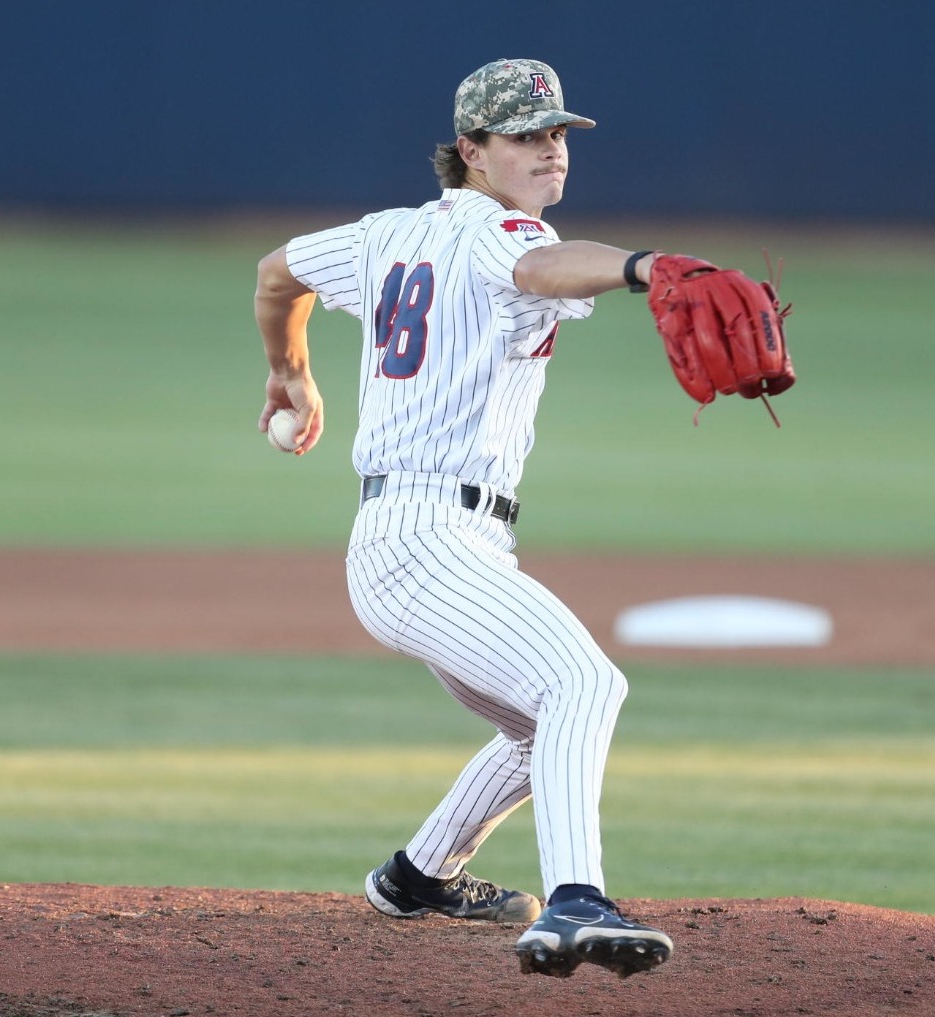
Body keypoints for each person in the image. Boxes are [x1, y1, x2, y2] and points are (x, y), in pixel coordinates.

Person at [252, 58, 678, 979]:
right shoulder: (501, 232)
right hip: (426, 539)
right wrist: (644, 268)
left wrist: (289, 370)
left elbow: (277, 271)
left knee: (538, 726)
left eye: (558, 133)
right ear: (471, 152)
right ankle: (575, 902)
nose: (550, 150)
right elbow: (535, 262)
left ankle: (417, 875)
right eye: (526, 135)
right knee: (586, 686)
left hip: (438, 541)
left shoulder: (383, 235)